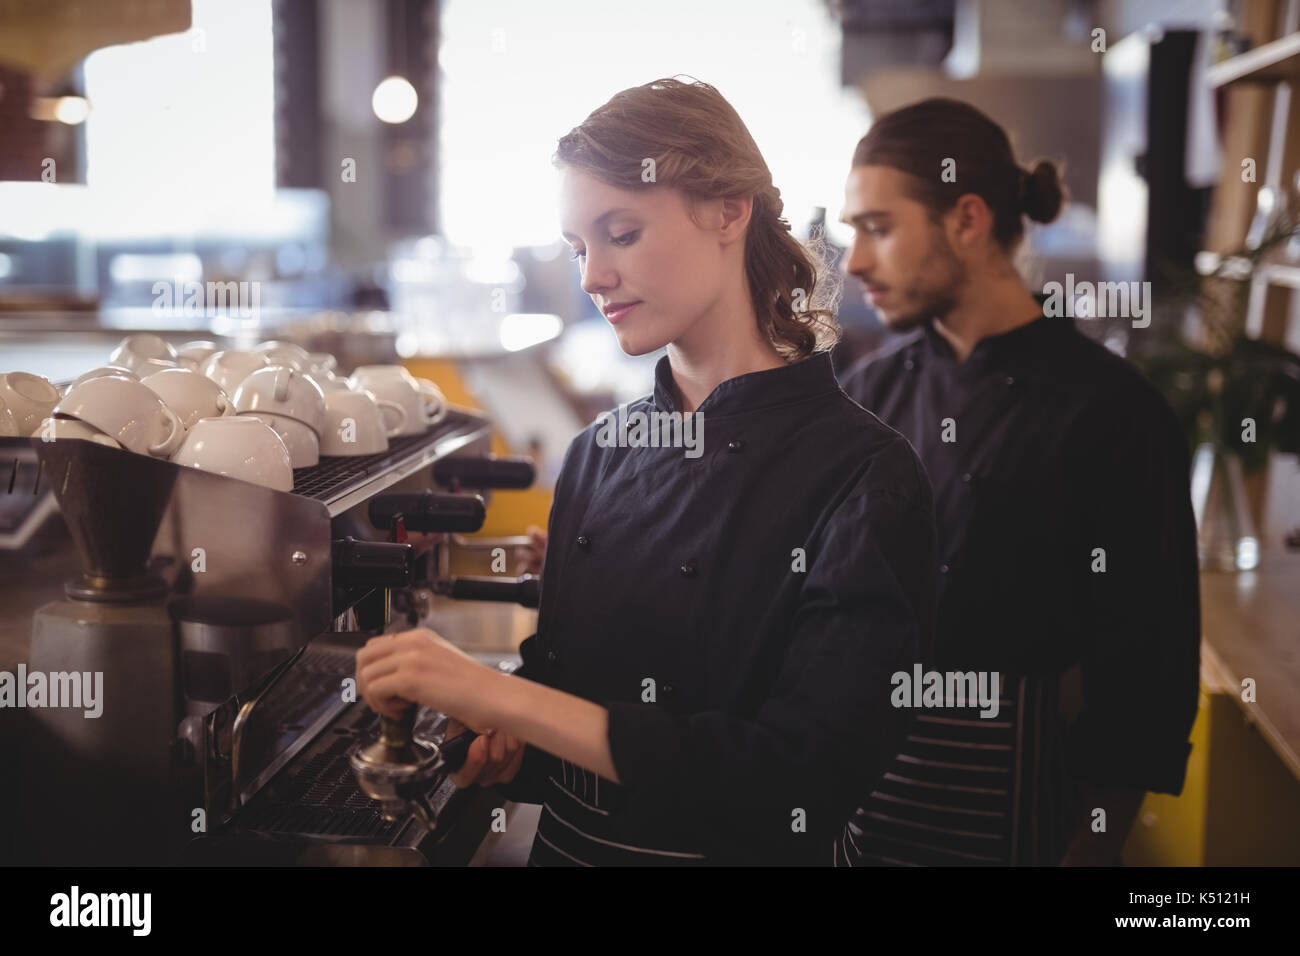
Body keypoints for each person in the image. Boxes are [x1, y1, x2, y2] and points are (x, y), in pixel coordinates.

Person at [356, 77, 936, 865]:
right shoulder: (597, 456)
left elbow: (802, 780)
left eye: (620, 233)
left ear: (730, 210)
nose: (592, 276)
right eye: (578, 249)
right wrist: (511, 741)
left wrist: (502, 695)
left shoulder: (865, 477)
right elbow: (568, 706)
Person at [836, 98, 1201, 866]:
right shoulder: (864, 398)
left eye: (877, 227)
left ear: (966, 219)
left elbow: (1146, 671)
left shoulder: (1113, 411)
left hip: (1019, 816)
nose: (855, 263)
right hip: (862, 811)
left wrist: (1092, 850)